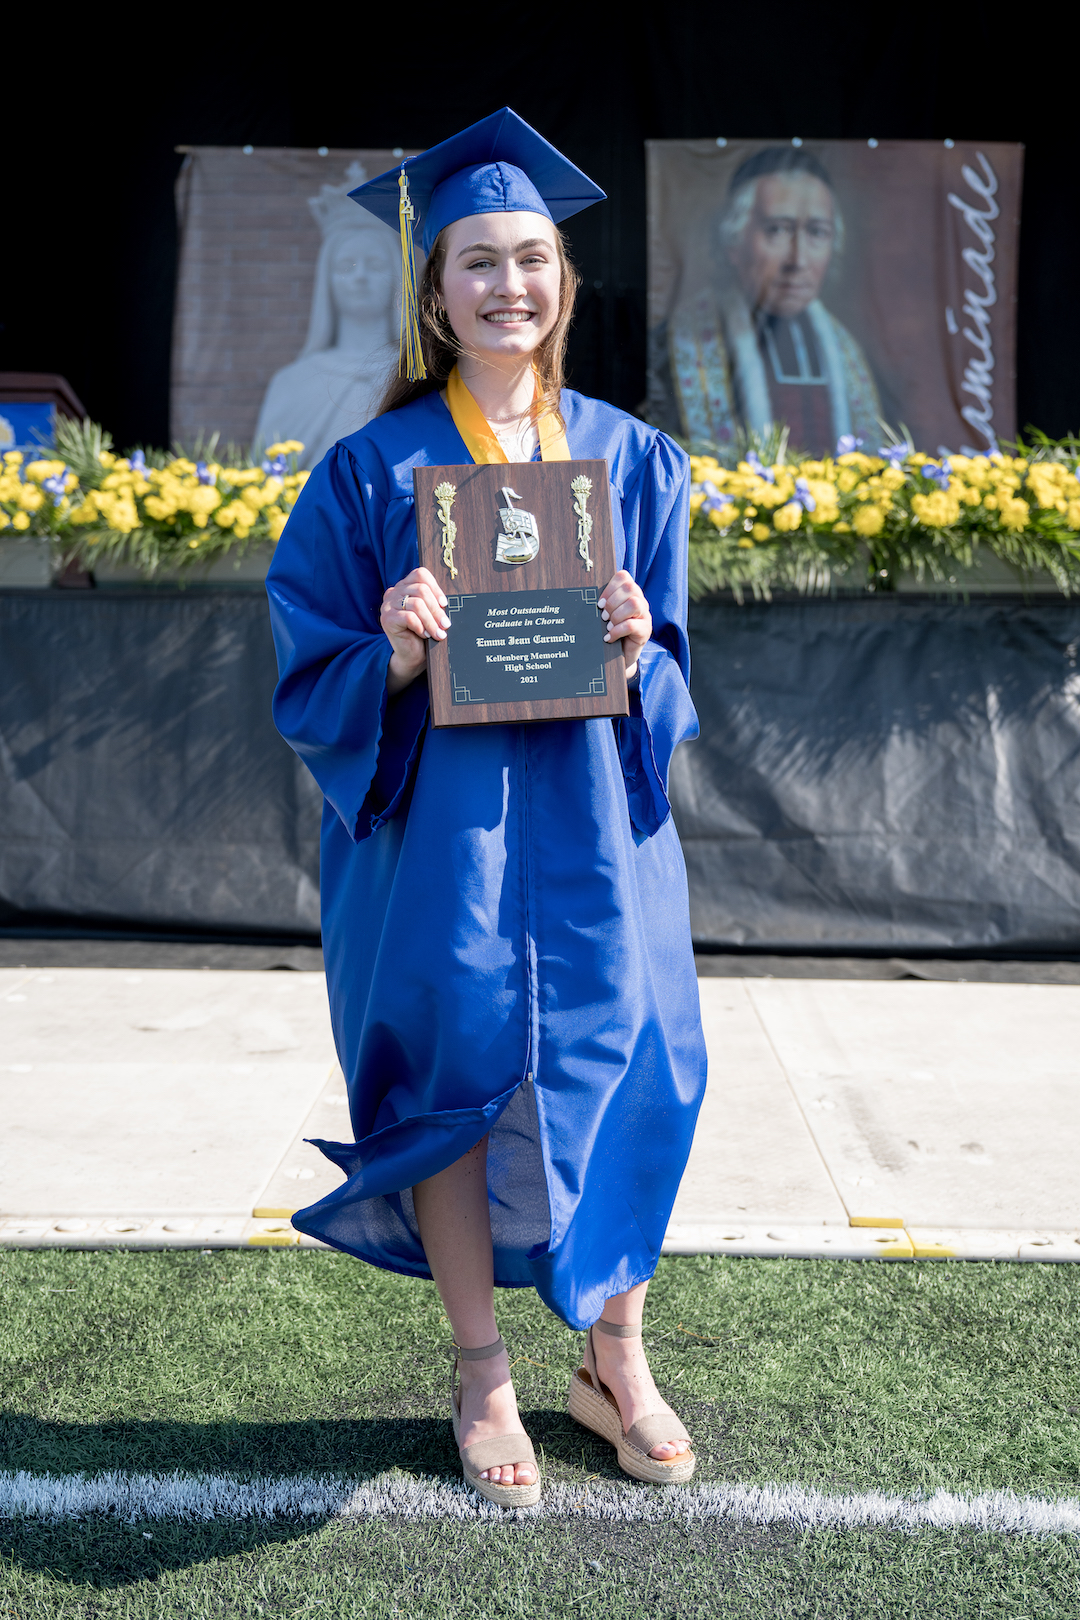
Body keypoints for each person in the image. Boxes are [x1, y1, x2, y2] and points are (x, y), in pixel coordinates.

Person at [266, 108, 706, 1509]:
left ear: (563, 284)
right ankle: (483, 1371)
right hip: (441, 841)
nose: (508, 283)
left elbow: (682, 679)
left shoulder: (636, 465)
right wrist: (390, 645)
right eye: (476, 262)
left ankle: (616, 1356)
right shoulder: (368, 470)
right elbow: (304, 668)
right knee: (451, 1077)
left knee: (636, 1054)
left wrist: (643, 648)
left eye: (532, 258)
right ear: (435, 292)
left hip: (592, 831)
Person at [657, 147, 881, 455]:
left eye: (817, 232)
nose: (798, 259)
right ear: (734, 241)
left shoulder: (850, 355)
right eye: (777, 230)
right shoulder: (670, 347)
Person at [254, 165, 398, 469]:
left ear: (398, 277)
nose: (360, 278)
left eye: (374, 264)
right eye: (347, 266)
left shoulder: (417, 376)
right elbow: (265, 479)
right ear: (326, 280)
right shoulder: (291, 383)